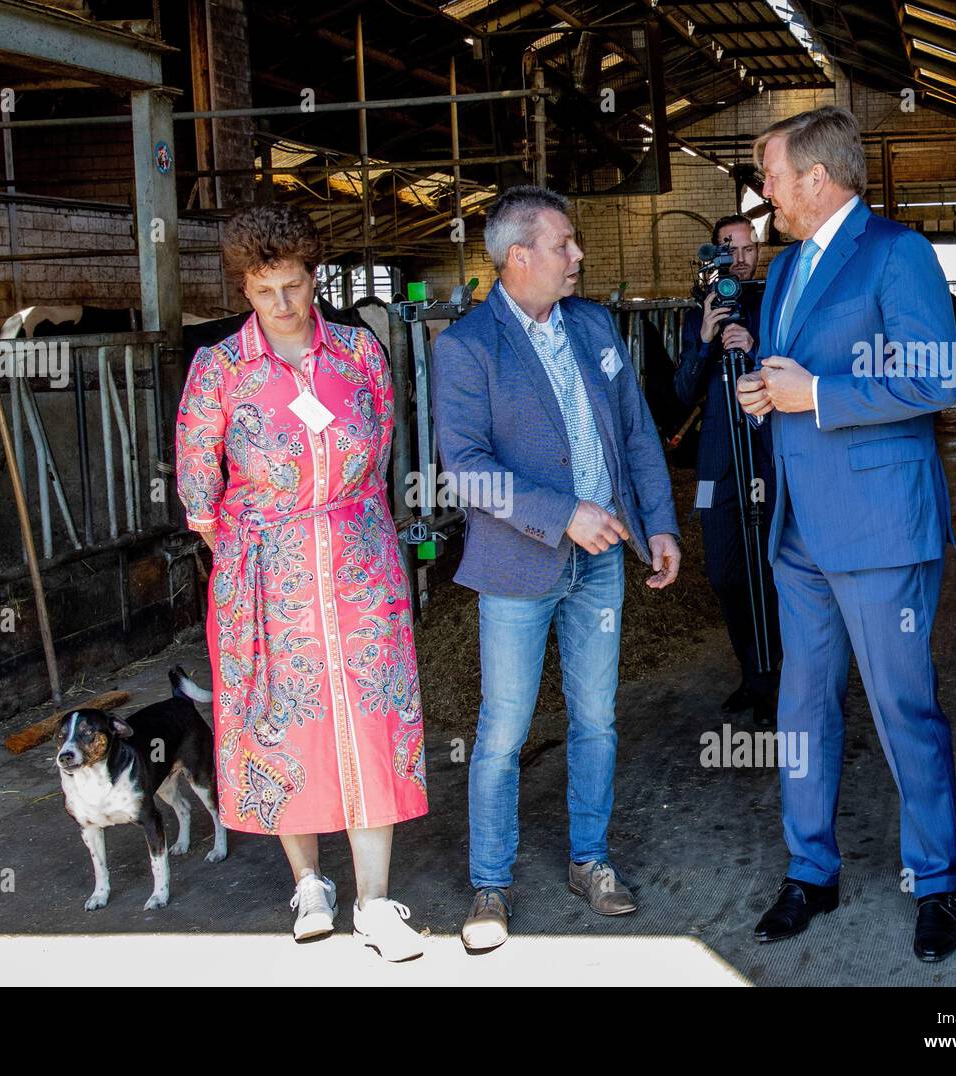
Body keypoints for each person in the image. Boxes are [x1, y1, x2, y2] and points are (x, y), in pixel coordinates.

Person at [736, 106, 956, 962]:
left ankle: (935, 883)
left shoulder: (897, 254)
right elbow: (791, 375)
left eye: (771, 174)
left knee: (903, 709)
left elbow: (935, 379)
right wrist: (773, 393)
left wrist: (818, 396)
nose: (766, 191)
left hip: (877, 529)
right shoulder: (789, 267)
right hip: (800, 528)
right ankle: (810, 871)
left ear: (817, 179)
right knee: (802, 705)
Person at [175, 203, 428, 961]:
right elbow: (196, 488)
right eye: (263, 290)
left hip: (359, 565)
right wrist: (257, 548)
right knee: (282, 724)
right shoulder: (218, 369)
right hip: (264, 578)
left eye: (291, 285)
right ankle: (309, 883)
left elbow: (379, 449)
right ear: (244, 291)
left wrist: (345, 525)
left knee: (371, 722)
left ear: (314, 275)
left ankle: (376, 903)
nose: (281, 304)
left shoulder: (359, 353)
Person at [432, 185, 681, 952]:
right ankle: (490, 882)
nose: (578, 257)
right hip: (517, 564)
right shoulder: (467, 346)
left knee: (597, 718)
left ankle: (589, 859)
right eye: (565, 245)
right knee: (503, 729)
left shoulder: (594, 323)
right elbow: (466, 470)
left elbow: (636, 431)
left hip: (603, 560)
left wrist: (660, 523)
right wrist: (561, 510)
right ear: (519, 257)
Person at [675, 213, 781, 727]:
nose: (739, 258)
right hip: (718, 468)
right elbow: (679, 394)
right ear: (712, 254)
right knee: (725, 574)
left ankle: (777, 679)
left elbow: (792, 373)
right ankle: (751, 673)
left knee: (772, 572)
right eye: (728, 248)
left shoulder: (770, 307)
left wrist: (755, 349)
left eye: (747, 248)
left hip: (765, 459)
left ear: (757, 253)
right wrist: (704, 338)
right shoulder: (699, 313)